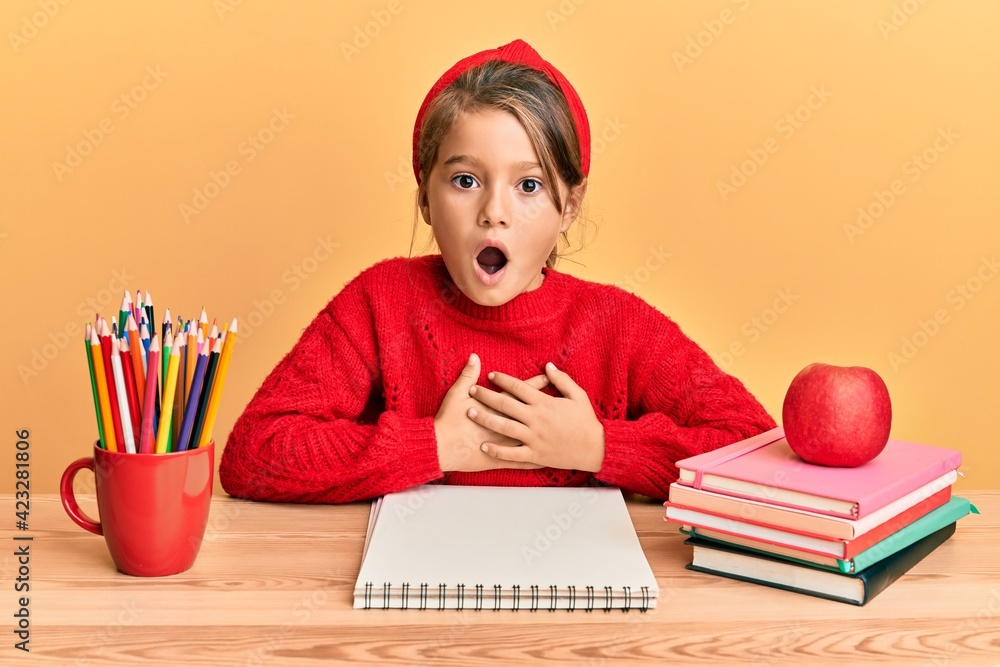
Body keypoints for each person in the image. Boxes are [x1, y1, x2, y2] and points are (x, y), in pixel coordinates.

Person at [220, 39, 775, 504]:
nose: (494, 211)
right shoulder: (379, 301)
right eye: (465, 181)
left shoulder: (618, 324)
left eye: (528, 185)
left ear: (569, 207)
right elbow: (253, 455)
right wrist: (435, 446)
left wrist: (600, 447)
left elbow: (754, 452)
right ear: (425, 197)